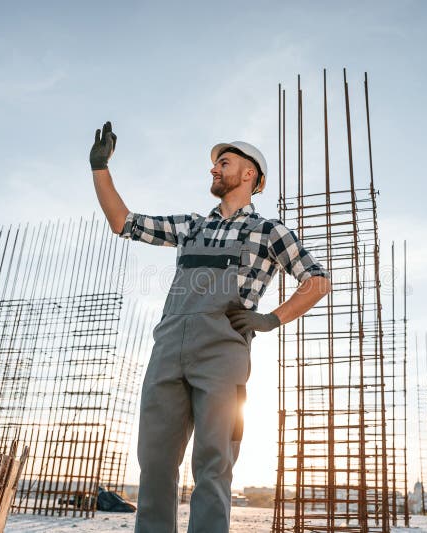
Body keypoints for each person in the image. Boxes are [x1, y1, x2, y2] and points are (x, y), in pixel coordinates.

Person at [89, 121, 331, 533]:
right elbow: (122, 222)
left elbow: (318, 280)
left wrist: (272, 318)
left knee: (214, 463)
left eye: (224, 162)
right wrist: (100, 168)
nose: (214, 170)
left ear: (249, 174)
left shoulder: (268, 231)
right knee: (156, 462)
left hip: (223, 354)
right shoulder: (191, 226)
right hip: (167, 351)